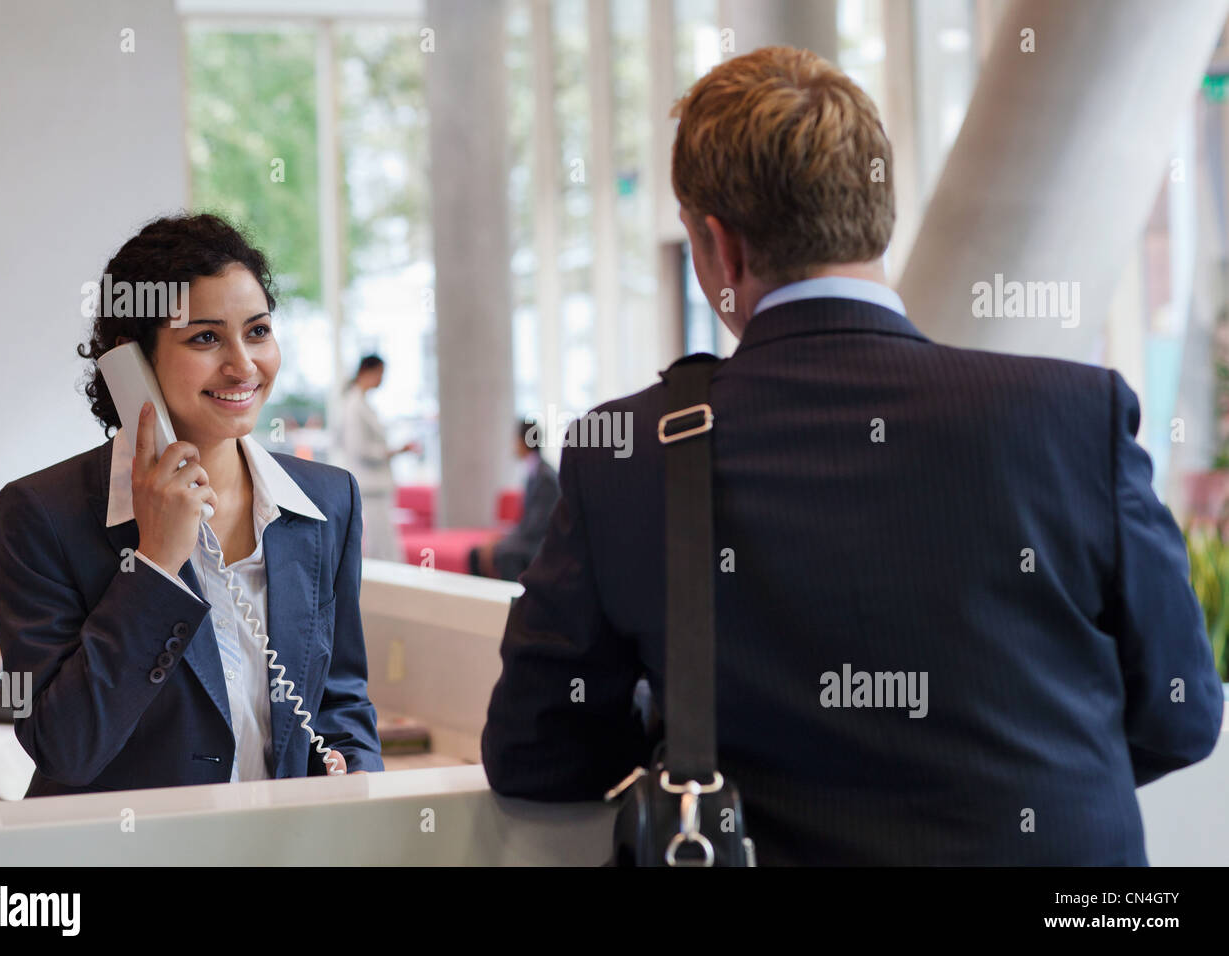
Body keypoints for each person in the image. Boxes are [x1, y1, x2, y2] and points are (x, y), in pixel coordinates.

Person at [480, 47, 1224, 864]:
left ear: (719, 247)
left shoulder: (627, 454)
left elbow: (537, 751)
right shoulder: (1076, 414)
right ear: (881, 214)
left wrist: (681, 719)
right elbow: (1182, 718)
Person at [0, 213, 384, 797]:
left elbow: (340, 702)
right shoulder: (42, 514)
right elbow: (66, 748)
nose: (243, 365)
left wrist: (351, 771)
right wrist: (154, 566)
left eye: (257, 331)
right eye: (205, 337)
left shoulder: (327, 501)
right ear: (133, 363)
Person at [333, 355, 417, 562]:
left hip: (374, 485)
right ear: (368, 372)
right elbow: (358, 448)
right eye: (380, 374)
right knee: (380, 546)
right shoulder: (354, 405)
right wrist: (395, 451)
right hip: (369, 485)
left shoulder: (360, 403)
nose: (382, 379)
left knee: (382, 542)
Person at [469, 419, 560, 581]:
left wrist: (502, 542)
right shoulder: (534, 472)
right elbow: (526, 522)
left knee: (506, 554)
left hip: (540, 543)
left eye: (515, 440)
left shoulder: (545, 477)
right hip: (529, 539)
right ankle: (487, 601)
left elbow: (535, 527)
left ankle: (513, 603)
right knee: (475, 553)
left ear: (524, 442)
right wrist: (501, 538)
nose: (513, 445)